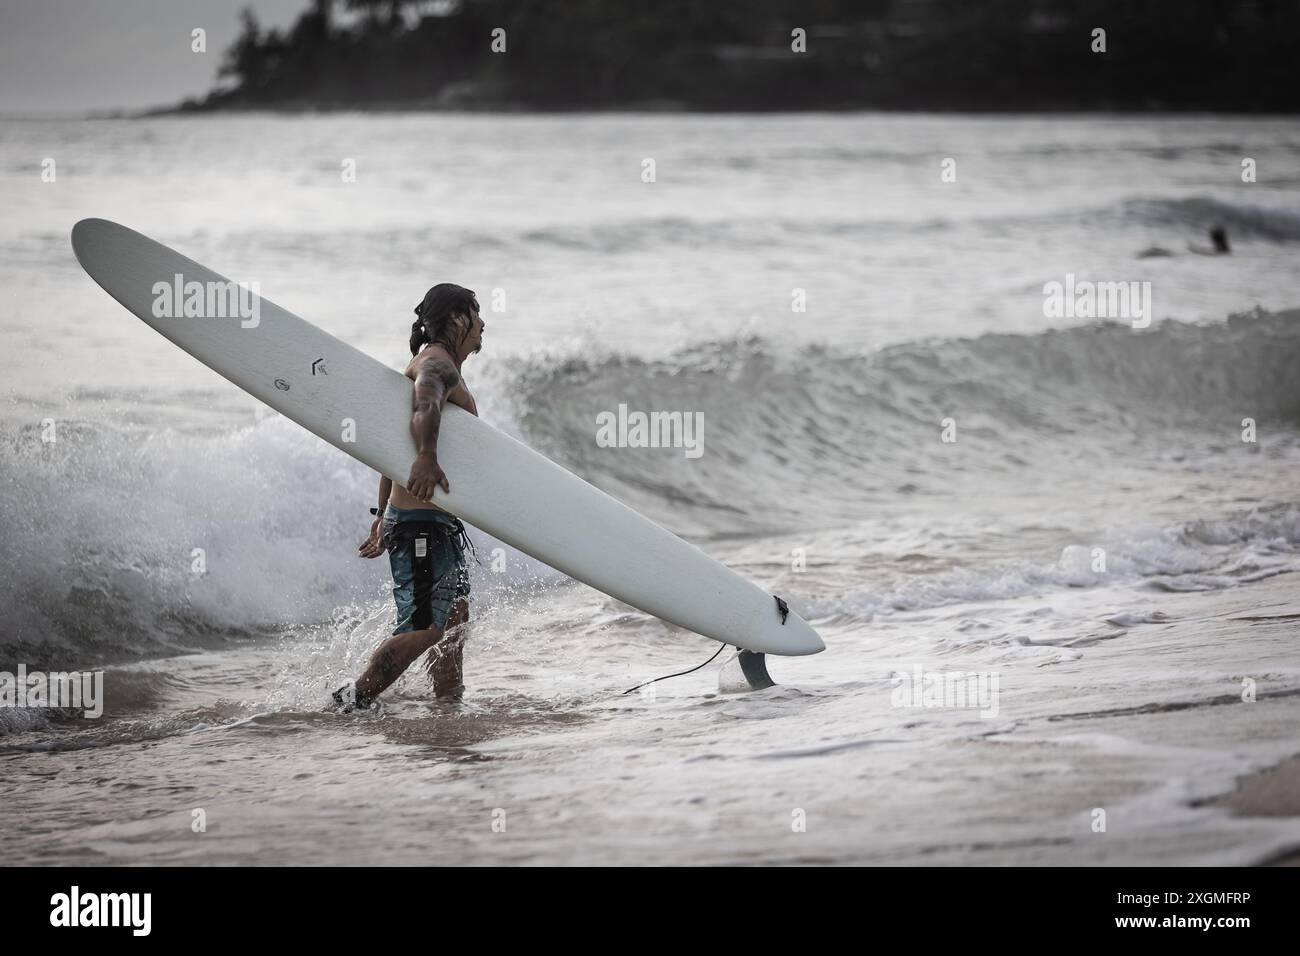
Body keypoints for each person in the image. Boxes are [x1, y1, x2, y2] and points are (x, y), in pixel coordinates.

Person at [331, 283, 485, 711]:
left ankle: (448, 706)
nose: (483, 325)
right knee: (424, 627)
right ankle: (350, 700)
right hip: (420, 524)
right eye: (476, 314)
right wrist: (429, 456)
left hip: (428, 522)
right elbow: (425, 403)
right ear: (456, 319)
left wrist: (382, 513)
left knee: (453, 619)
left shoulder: (435, 363)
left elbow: (389, 451)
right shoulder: (437, 364)